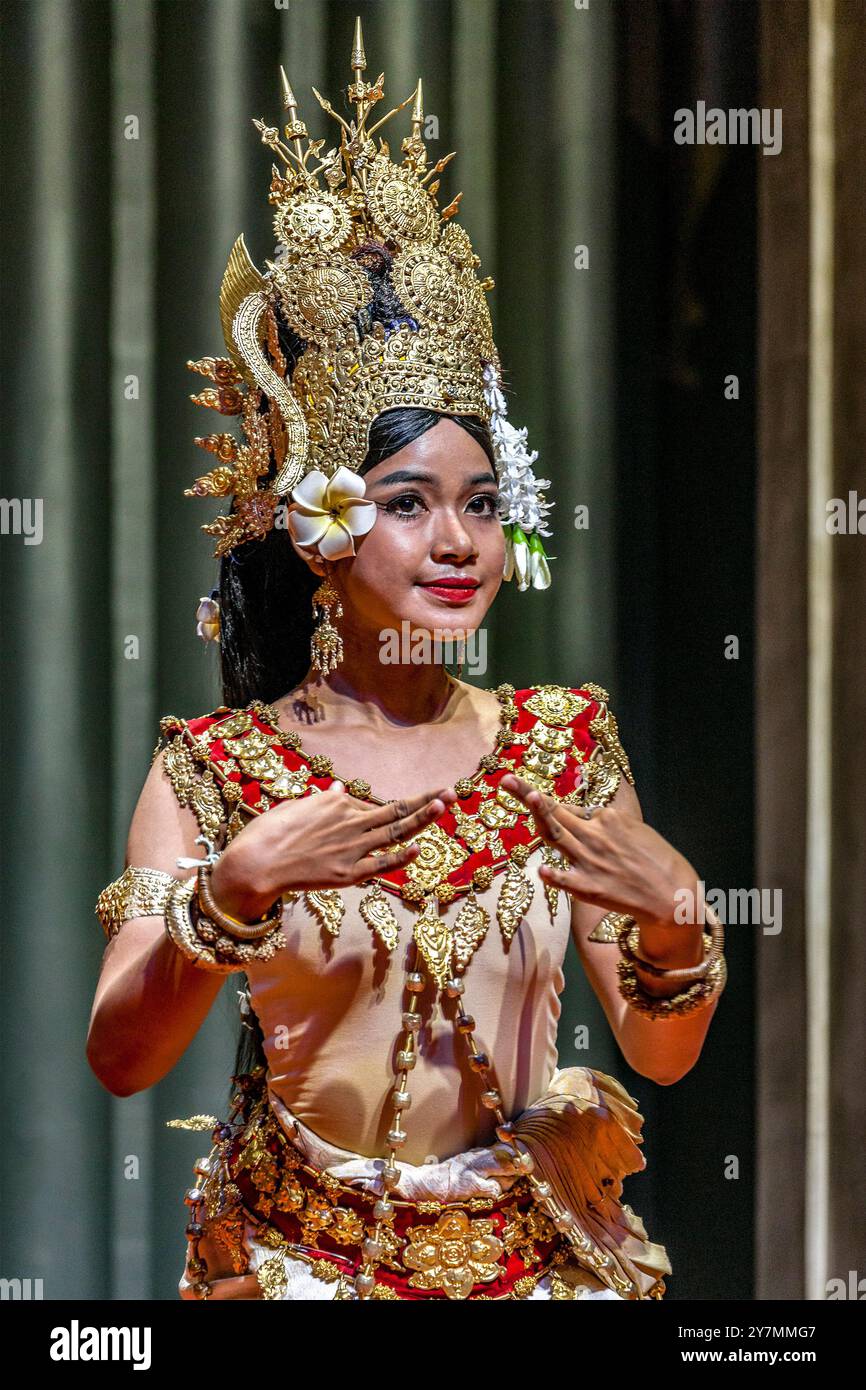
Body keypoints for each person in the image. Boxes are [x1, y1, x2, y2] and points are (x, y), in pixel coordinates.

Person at [87, 17, 726, 1302]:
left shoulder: (561, 747)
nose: (457, 542)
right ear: (320, 530)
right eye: (407, 502)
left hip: (533, 1270)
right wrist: (230, 899)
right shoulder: (219, 771)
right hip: (295, 1269)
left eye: (483, 503)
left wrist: (674, 929)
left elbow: (660, 1058)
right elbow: (121, 1055)